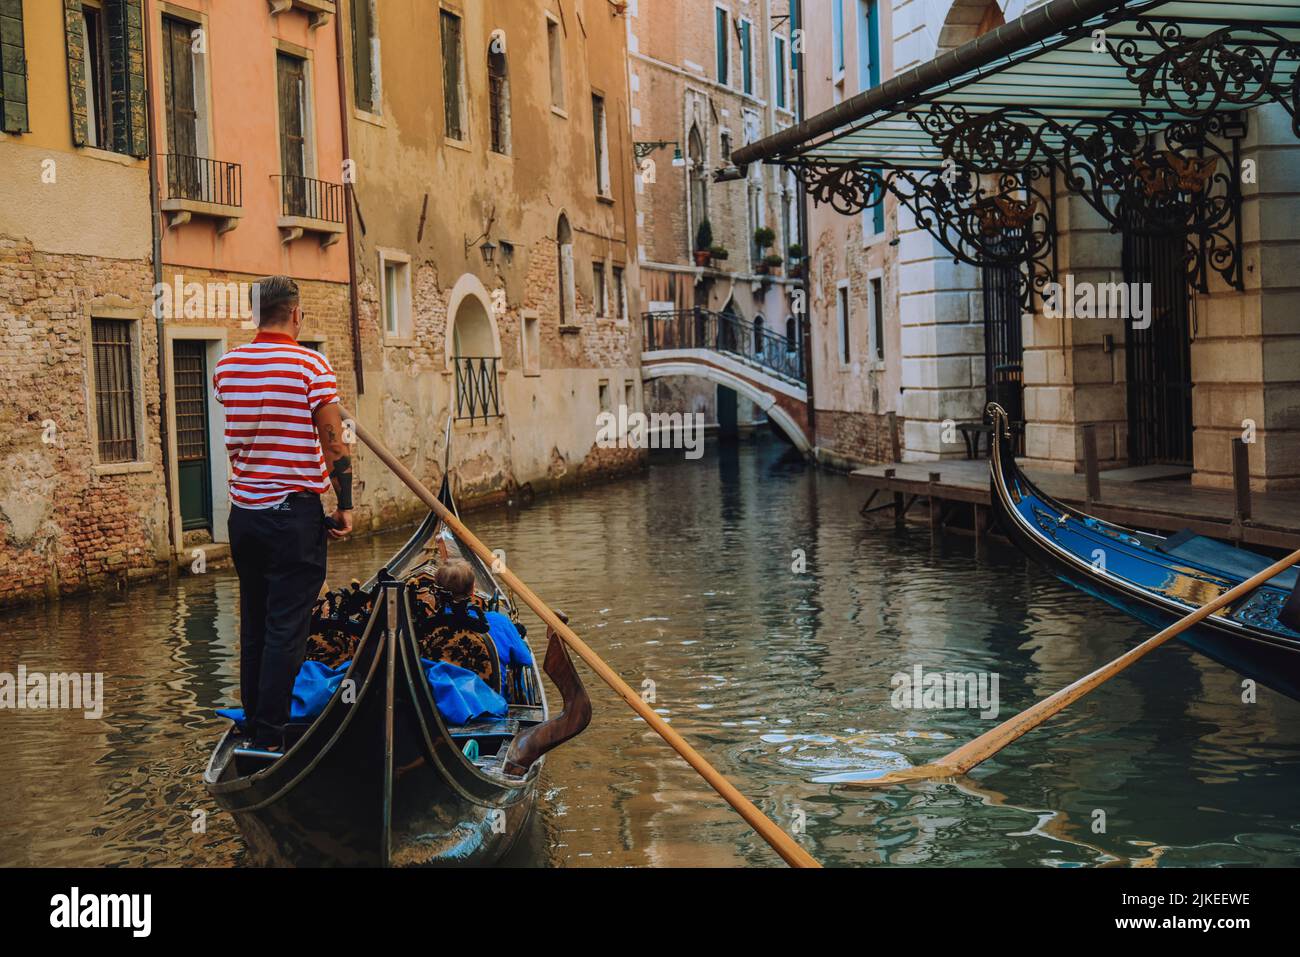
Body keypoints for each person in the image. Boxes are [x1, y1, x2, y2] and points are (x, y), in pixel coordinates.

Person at [212, 275, 356, 752]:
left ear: (256, 316)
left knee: (255, 621)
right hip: (293, 516)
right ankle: (271, 738)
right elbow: (333, 442)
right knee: (286, 629)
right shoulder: (311, 366)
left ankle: (255, 723)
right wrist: (345, 504)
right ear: (296, 315)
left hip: (245, 518)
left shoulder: (227, 366)